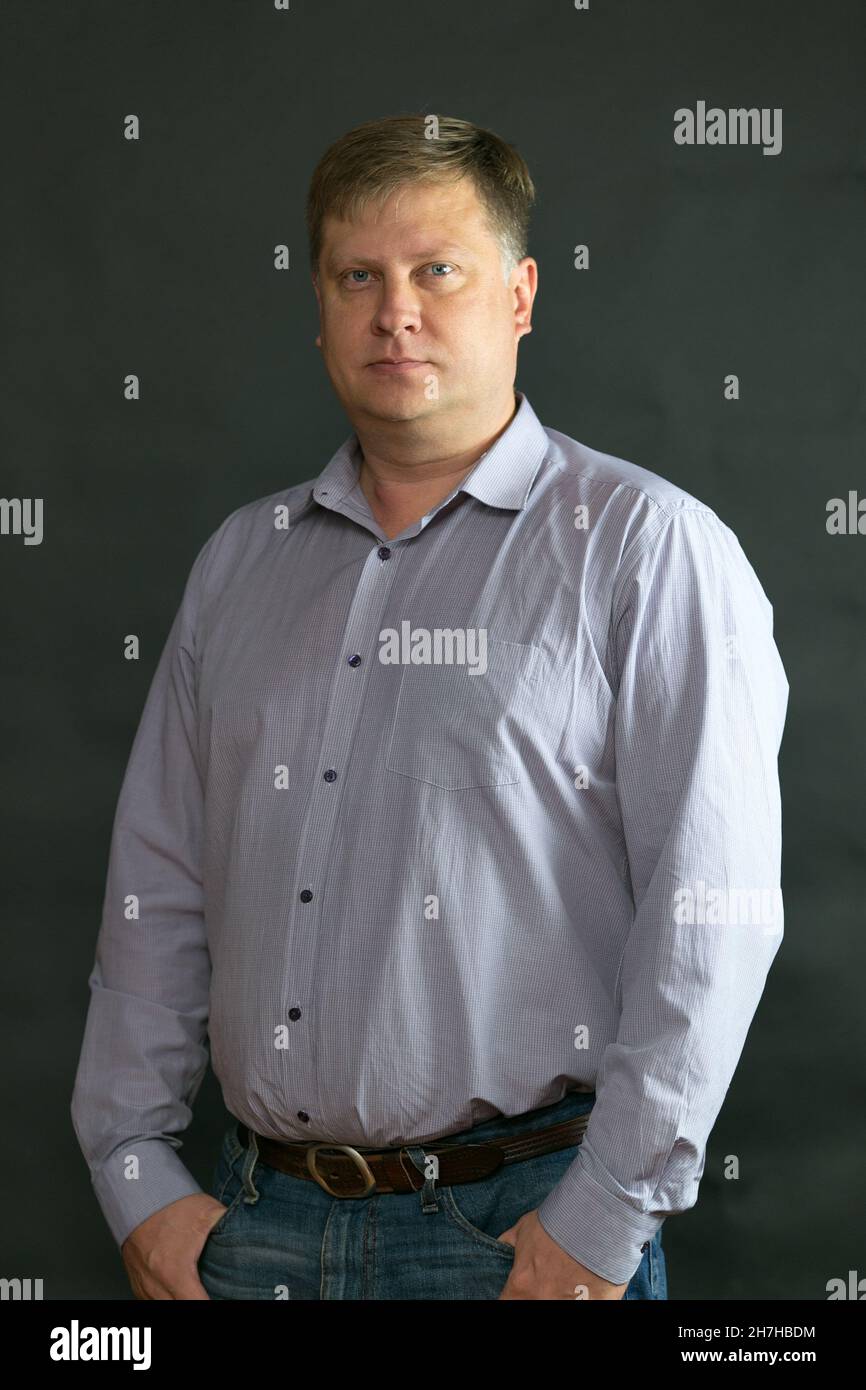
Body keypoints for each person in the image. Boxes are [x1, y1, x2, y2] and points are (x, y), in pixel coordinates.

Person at [71, 113, 789, 1301]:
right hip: (249, 1235)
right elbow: (159, 885)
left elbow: (710, 919)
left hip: (522, 1240)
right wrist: (133, 1171)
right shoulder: (240, 564)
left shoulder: (648, 552)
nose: (392, 311)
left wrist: (600, 1226)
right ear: (319, 307)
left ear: (517, 294)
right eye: (358, 275)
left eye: (434, 271)